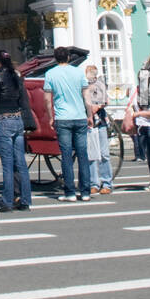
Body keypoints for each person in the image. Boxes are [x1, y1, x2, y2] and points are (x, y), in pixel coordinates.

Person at [44, 45, 92, 202]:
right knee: (82, 155)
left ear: (55, 58)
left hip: (62, 118)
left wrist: (51, 117)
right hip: (79, 117)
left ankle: (70, 192)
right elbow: (87, 97)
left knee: (66, 155)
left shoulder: (50, 74)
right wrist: (89, 115)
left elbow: (47, 101)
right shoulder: (78, 72)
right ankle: (85, 191)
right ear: (69, 58)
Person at [0, 51, 32, 212]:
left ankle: (7, 201)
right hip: (17, 119)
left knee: (7, 164)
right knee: (21, 162)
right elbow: (23, 99)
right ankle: (26, 200)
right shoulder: (17, 76)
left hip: (4, 120)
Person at [84, 63, 113, 195]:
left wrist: (98, 107)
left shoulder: (100, 84)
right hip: (89, 122)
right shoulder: (84, 85)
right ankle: (93, 183)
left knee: (103, 153)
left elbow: (106, 100)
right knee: (91, 154)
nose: (91, 75)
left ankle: (106, 182)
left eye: (92, 73)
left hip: (99, 121)